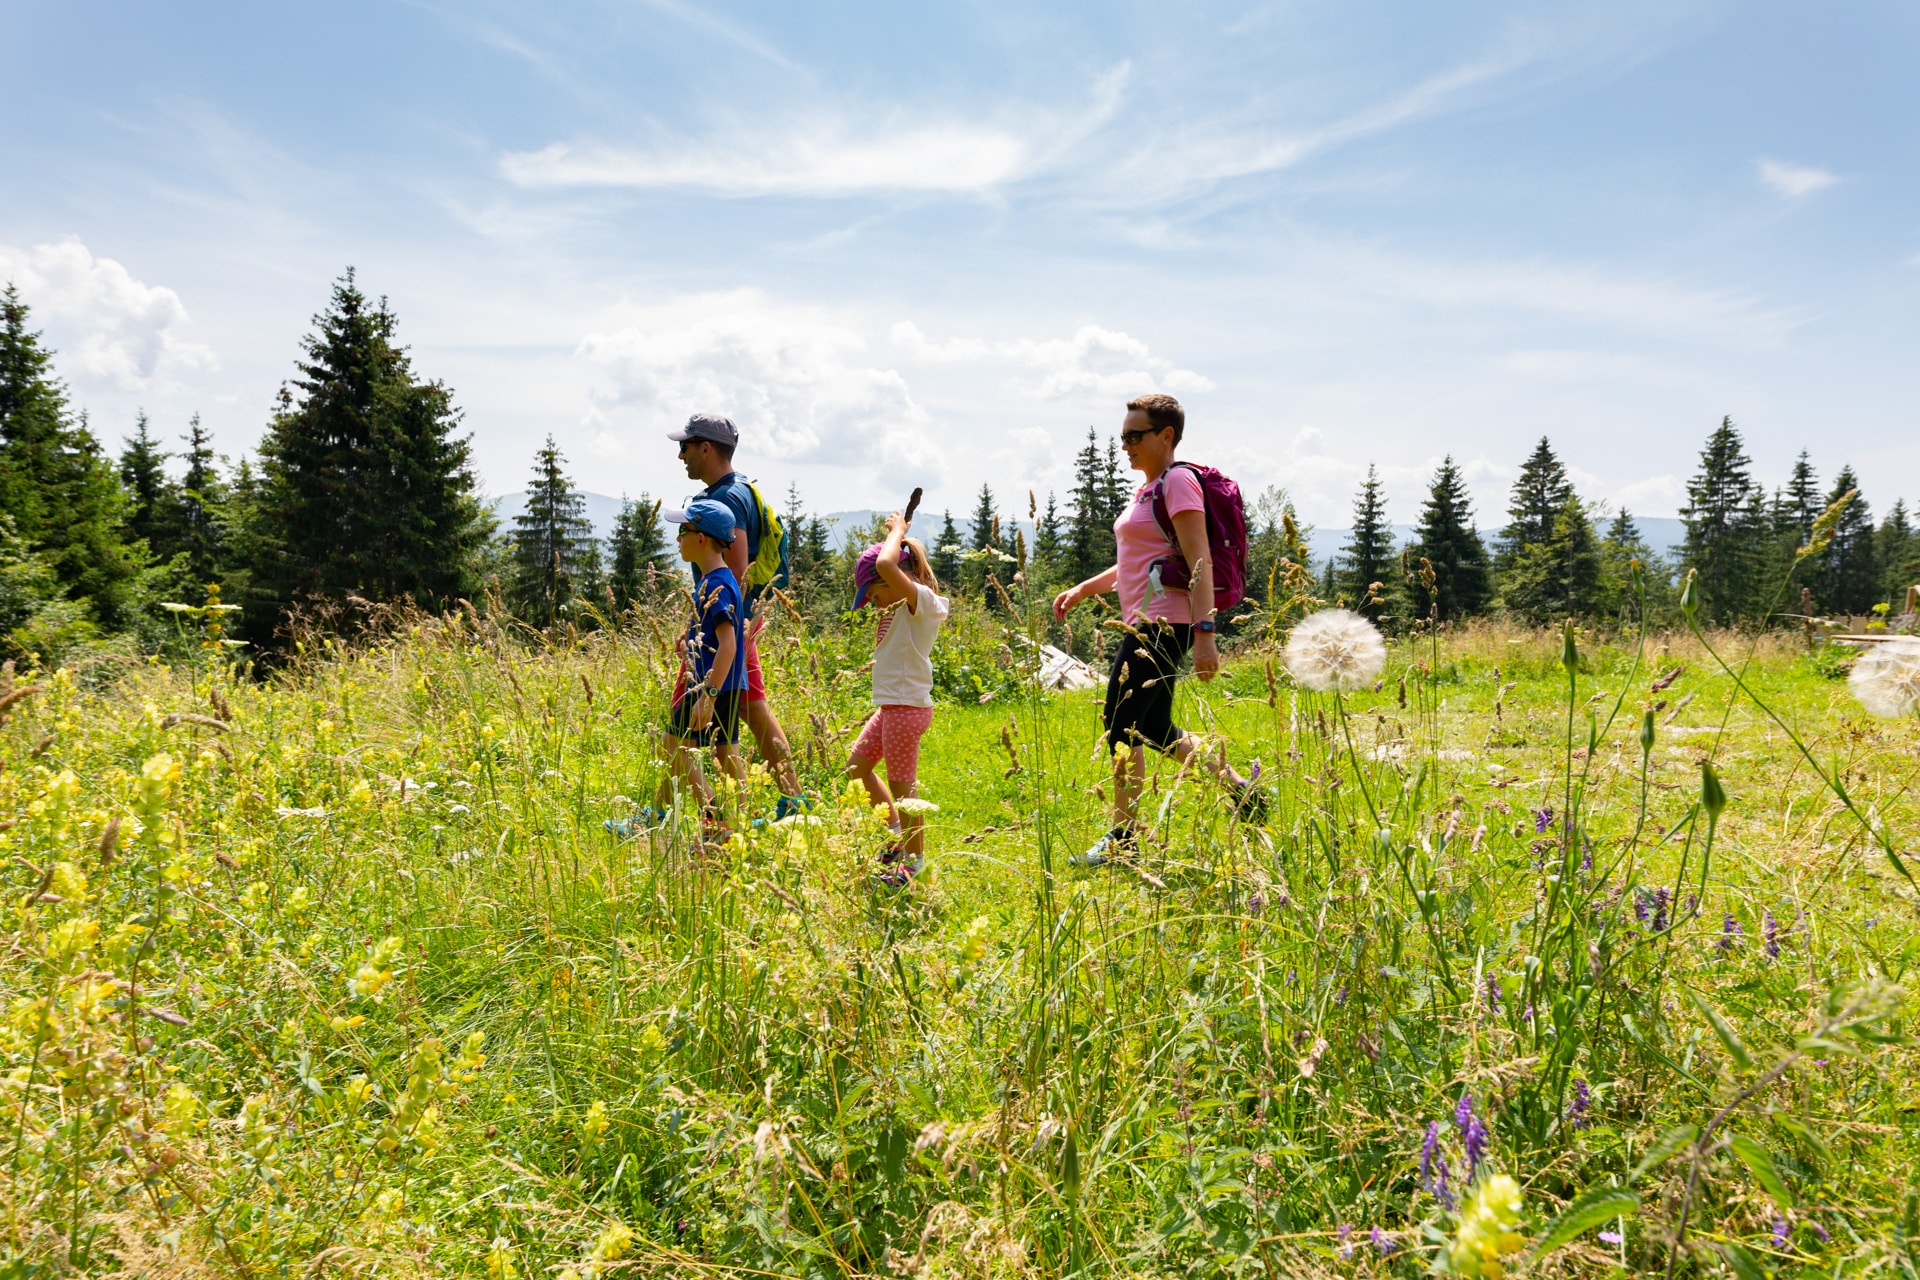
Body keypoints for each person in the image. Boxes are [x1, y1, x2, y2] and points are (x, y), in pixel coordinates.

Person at [1051, 393, 1264, 865]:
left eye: (1135, 436)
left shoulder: (1178, 482)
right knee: (1152, 727)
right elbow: (1136, 560)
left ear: (1166, 435)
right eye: (1122, 437)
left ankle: (1123, 839)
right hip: (1147, 621)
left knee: (1119, 724)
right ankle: (1241, 789)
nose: (1125, 445)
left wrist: (1206, 634)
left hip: (1166, 622)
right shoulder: (1147, 490)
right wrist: (1084, 589)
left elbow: (1199, 560)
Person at [666, 413, 810, 817]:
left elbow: (736, 573)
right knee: (747, 706)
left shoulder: (727, 497)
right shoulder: (738, 489)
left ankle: (697, 815)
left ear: (706, 448)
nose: (680, 455)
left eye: (685, 447)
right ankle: (789, 800)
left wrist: (715, 630)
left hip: (729, 625)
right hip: (732, 622)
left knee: (686, 721)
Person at [845, 513, 950, 885]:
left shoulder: (922, 603)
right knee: (856, 768)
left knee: (904, 787)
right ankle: (894, 839)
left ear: (894, 579)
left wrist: (898, 532)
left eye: (874, 595)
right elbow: (885, 570)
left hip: (907, 709)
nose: (875, 605)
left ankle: (914, 862)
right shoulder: (900, 606)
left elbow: (886, 564)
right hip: (890, 708)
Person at [652, 499, 748, 844]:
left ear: (701, 538)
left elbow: (729, 645)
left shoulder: (713, 586)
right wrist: (691, 636)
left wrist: (708, 695)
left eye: (683, 531)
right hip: (730, 683)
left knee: (674, 749)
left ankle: (717, 823)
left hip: (709, 685)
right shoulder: (723, 579)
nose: (678, 539)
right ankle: (737, 827)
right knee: (726, 755)